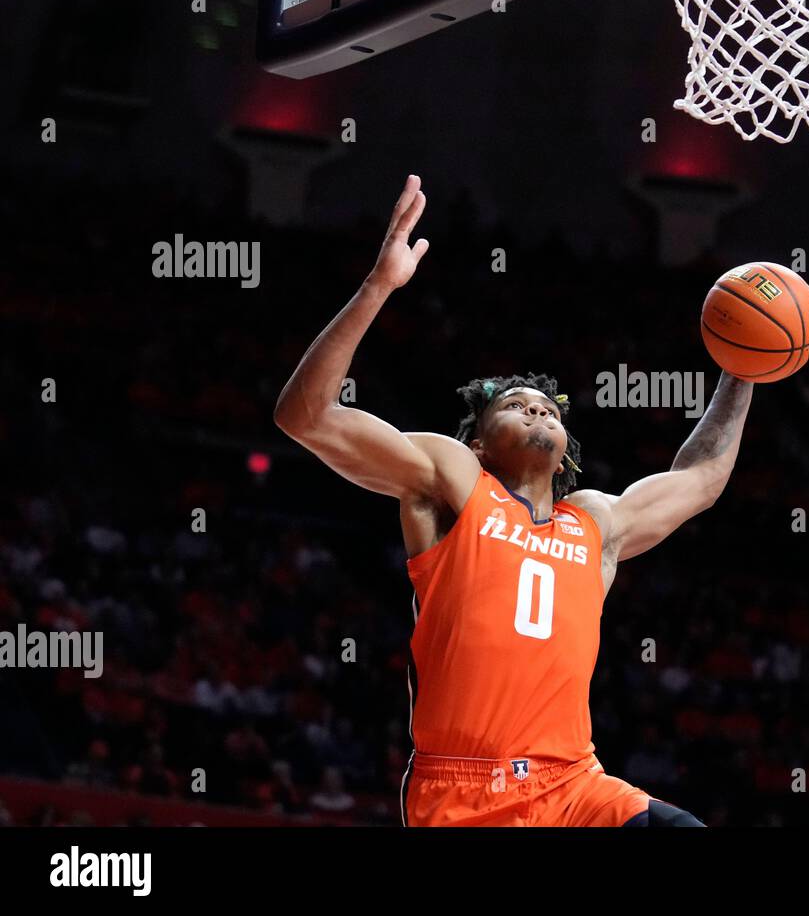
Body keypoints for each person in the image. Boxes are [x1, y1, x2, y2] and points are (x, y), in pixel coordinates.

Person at [274, 175, 753, 826]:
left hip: (576, 784)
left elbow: (701, 479)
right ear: (477, 444)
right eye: (515, 405)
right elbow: (306, 416)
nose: (537, 407)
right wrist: (377, 287)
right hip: (465, 794)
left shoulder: (594, 523)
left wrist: (743, 368)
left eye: (547, 407)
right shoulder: (453, 482)